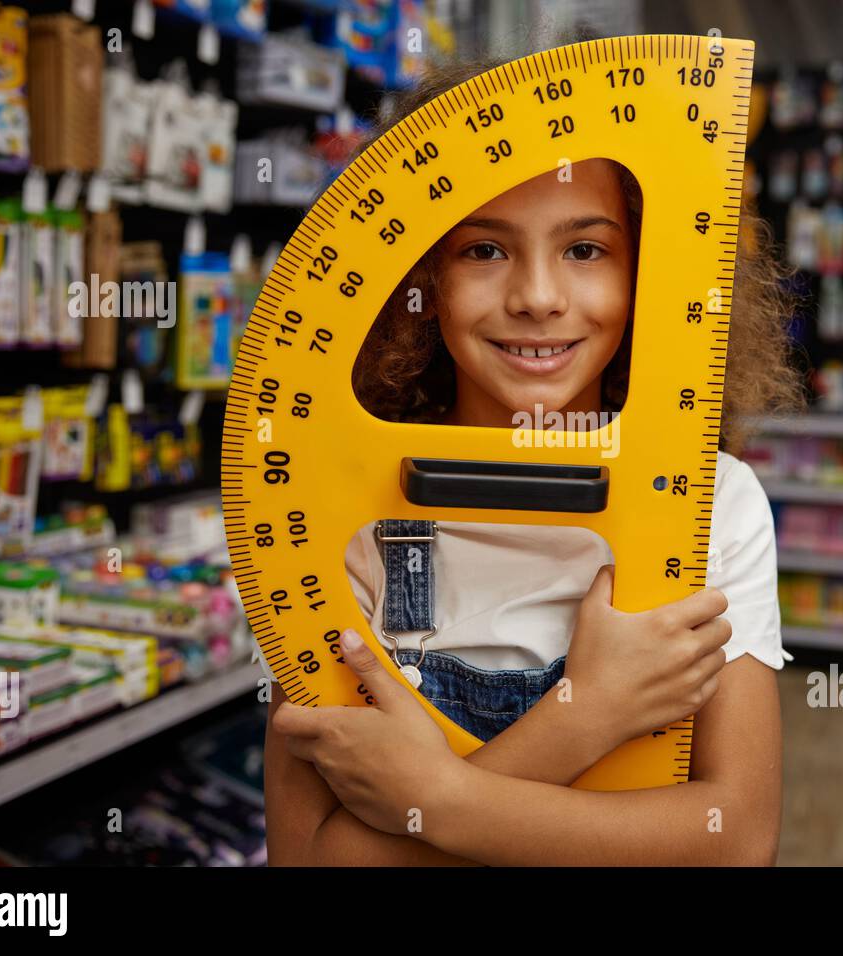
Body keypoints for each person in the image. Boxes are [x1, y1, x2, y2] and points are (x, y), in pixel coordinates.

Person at [264, 58, 801, 866]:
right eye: (484, 249)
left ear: (650, 273)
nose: (539, 297)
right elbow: (316, 862)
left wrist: (432, 800)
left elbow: (737, 839)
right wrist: (587, 717)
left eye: (586, 249)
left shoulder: (715, 505)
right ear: (420, 277)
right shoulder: (334, 508)